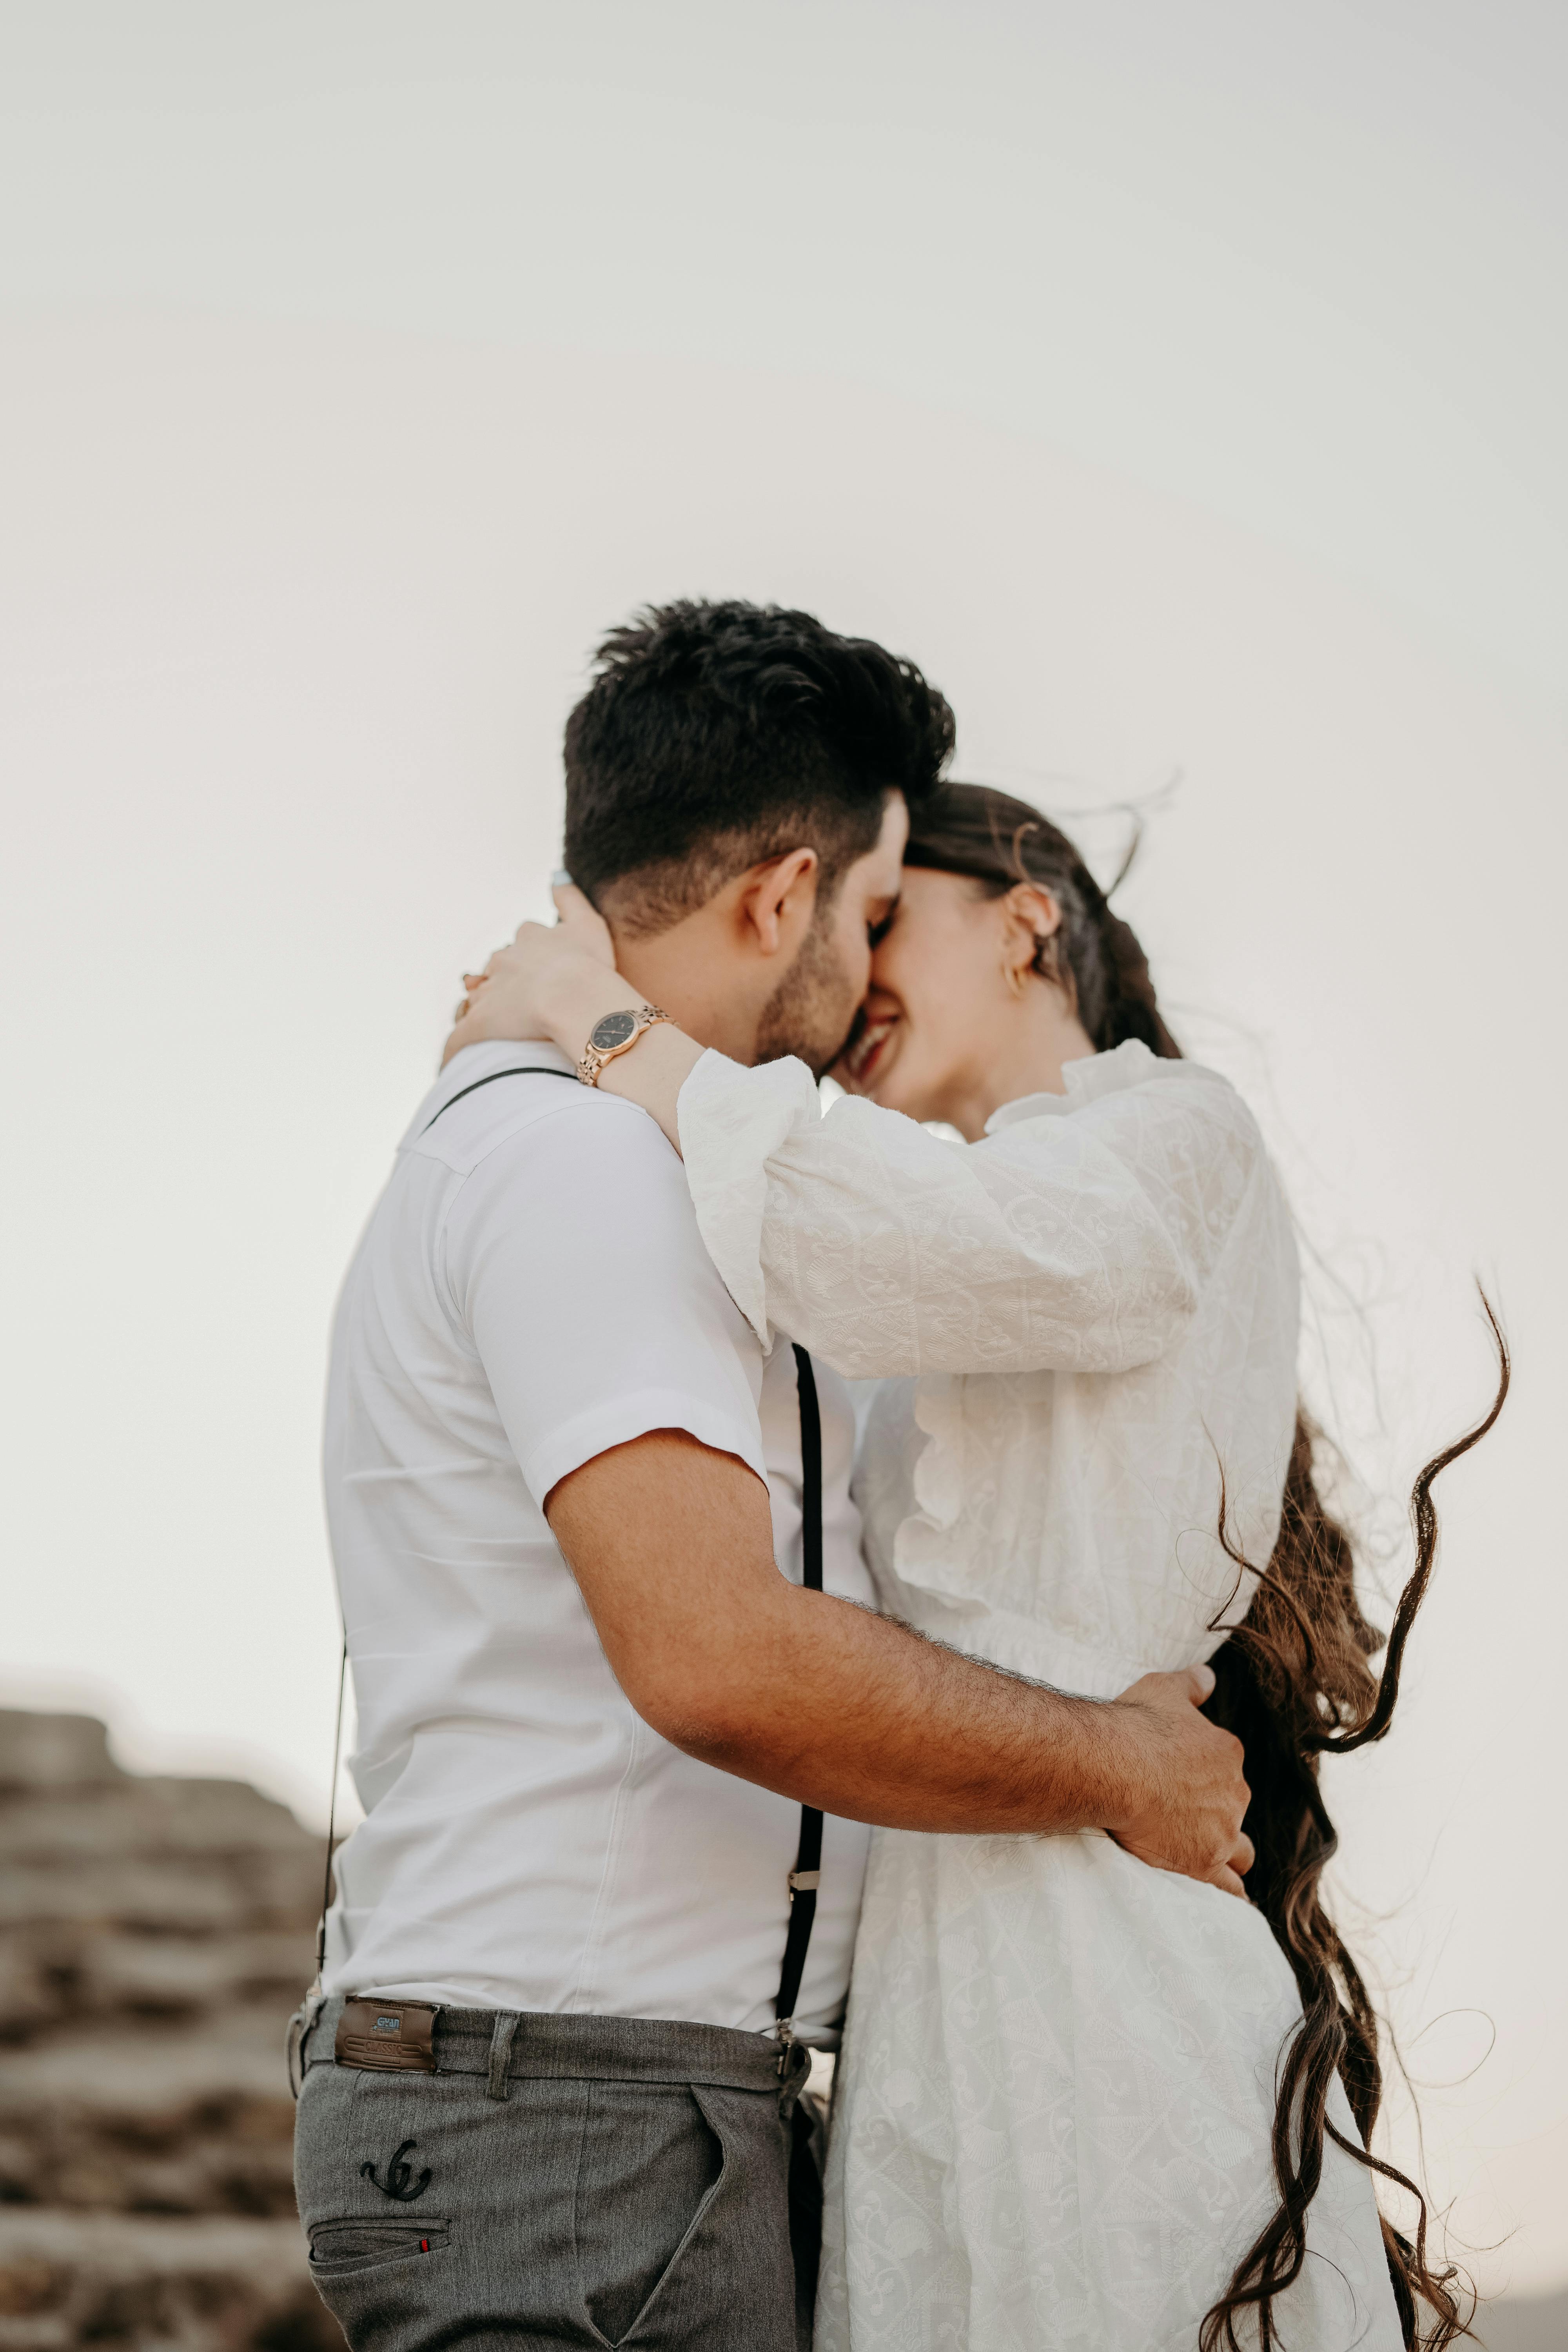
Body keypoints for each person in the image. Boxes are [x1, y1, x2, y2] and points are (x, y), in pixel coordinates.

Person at [293, 606, 1254, 2352]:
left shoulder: (640, 1160)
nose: (875, 962)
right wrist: (1124, 1759)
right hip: (564, 2108)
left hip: (615, 2101)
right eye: (871, 910)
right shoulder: (582, 1167)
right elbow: (718, 1658)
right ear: (776, 897)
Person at [452, 779, 1497, 2349]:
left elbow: (927, 1242)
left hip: (1099, 1970)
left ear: (1026, 917)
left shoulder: (1166, 1134)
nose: (852, 965)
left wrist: (600, 1025)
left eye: (886, 917)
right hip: (939, 1989)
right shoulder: (921, 1260)